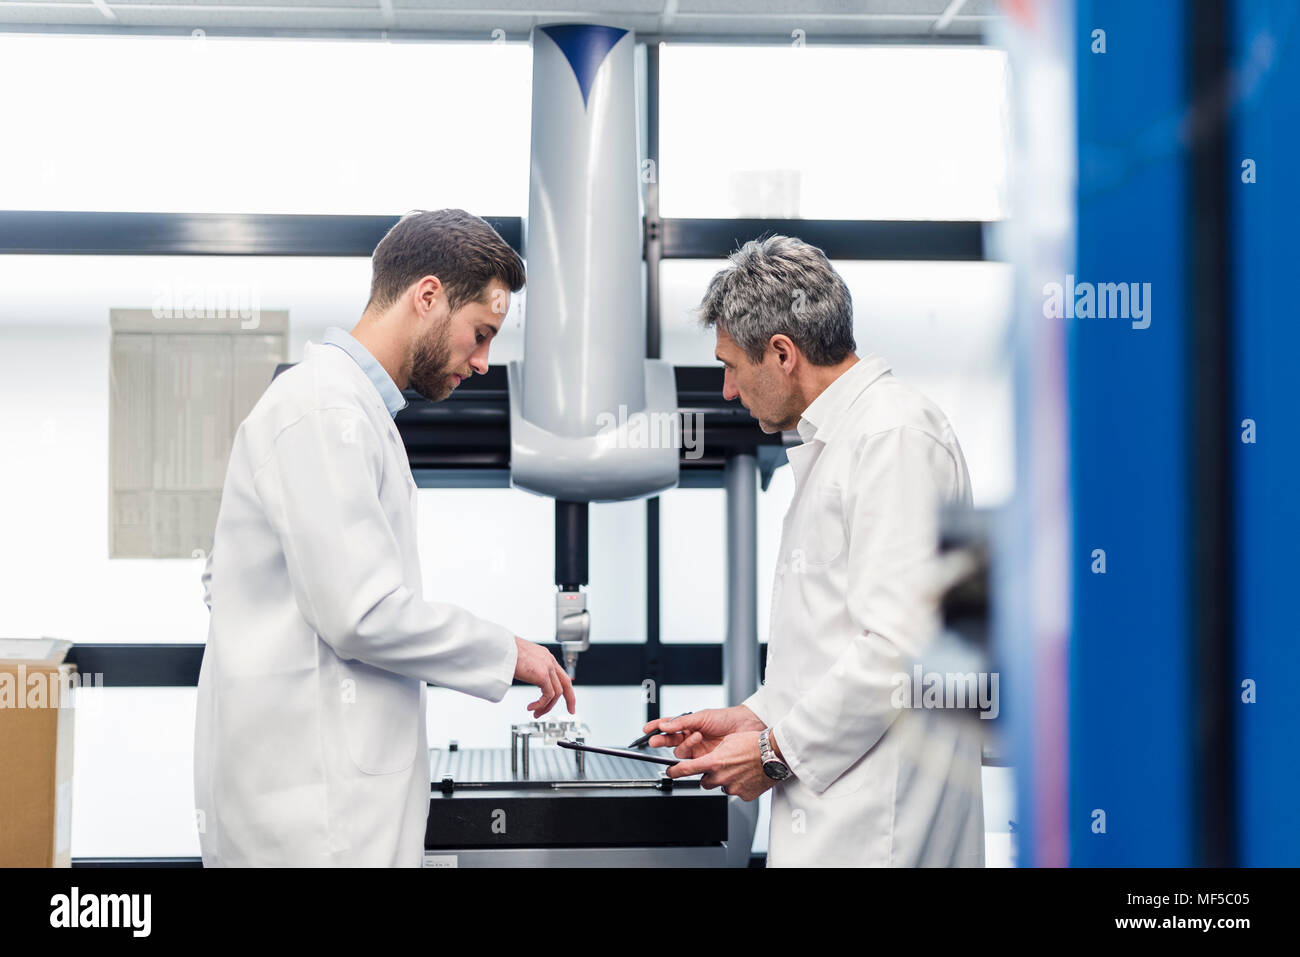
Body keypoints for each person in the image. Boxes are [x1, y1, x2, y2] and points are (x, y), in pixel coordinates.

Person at [194, 209, 575, 867]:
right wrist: (507, 650)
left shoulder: (349, 410)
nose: (484, 363)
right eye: (480, 334)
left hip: (327, 804)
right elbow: (360, 612)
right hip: (312, 821)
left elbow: (243, 585)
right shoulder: (323, 409)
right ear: (427, 296)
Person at [643, 236, 984, 867]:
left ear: (781, 354)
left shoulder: (894, 436)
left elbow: (897, 648)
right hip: (839, 820)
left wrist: (775, 752)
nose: (725, 390)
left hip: (882, 832)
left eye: (730, 365)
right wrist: (752, 718)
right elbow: (829, 643)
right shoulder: (842, 439)